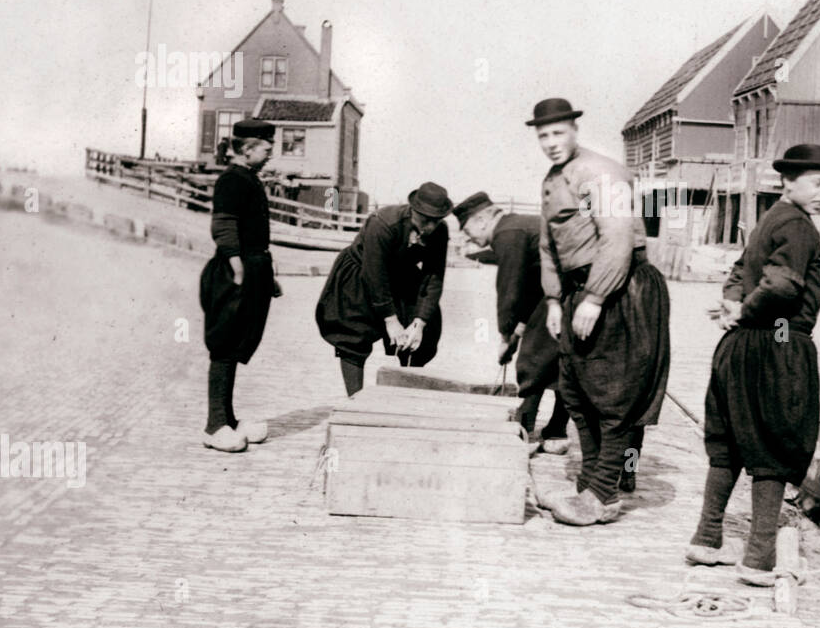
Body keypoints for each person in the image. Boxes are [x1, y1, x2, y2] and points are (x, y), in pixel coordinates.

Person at [685, 143, 820, 585]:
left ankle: (706, 539)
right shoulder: (801, 227)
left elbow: (739, 272)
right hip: (778, 341)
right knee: (774, 447)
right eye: (817, 182)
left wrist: (734, 307)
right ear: (788, 181)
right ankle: (758, 561)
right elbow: (783, 288)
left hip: (739, 347)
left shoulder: (768, 220)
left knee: (729, 443)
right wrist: (747, 309)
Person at [528, 97, 670, 526]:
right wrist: (554, 300)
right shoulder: (554, 179)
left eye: (558, 133)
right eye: (543, 135)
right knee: (575, 392)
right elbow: (547, 246)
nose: (551, 143)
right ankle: (593, 488)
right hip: (577, 291)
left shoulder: (601, 172)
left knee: (613, 396)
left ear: (574, 130)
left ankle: (601, 493)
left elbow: (617, 238)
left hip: (620, 288)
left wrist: (594, 298)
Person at [453, 191, 571, 453]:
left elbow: (510, 290)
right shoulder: (518, 226)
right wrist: (518, 330)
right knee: (563, 362)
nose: (467, 236)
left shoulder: (507, 234)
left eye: (467, 227)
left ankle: (524, 430)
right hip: (568, 294)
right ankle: (556, 430)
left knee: (532, 360)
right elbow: (533, 285)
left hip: (563, 296)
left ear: (482, 220)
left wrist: (506, 337)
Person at [315, 182, 452, 395]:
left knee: (423, 333)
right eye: (426, 219)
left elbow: (434, 277)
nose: (431, 227)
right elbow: (374, 275)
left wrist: (420, 323)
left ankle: (404, 393)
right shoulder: (384, 223)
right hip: (361, 273)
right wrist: (391, 320)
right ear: (413, 210)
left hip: (402, 274)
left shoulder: (439, 232)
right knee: (354, 333)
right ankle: (355, 399)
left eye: (437, 220)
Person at [198, 118, 283, 452]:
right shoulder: (232, 180)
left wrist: (267, 276)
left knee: (235, 345)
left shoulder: (248, 178)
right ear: (247, 149)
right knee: (225, 344)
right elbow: (224, 226)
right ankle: (214, 424)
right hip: (235, 272)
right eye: (266, 147)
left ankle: (229, 420)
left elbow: (255, 233)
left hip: (252, 268)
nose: (269, 154)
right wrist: (237, 270)